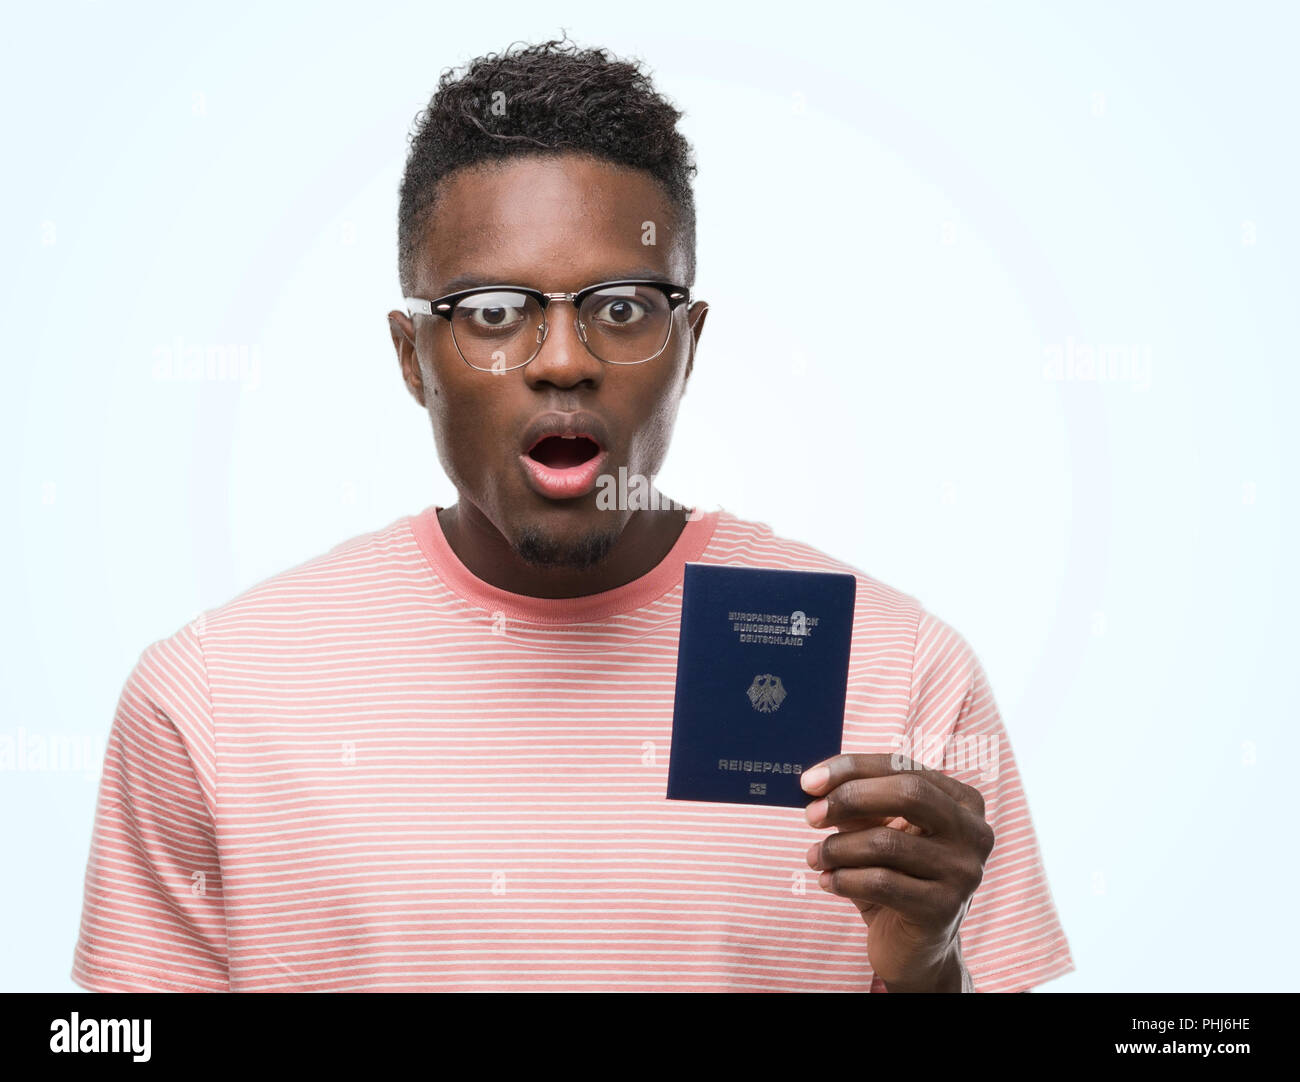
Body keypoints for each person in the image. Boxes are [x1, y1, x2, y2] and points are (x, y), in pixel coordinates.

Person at [71, 38, 1074, 993]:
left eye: (623, 305)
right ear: (411, 357)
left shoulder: (899, 673)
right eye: (496, 311)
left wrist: (932, 971)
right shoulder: (206, 697)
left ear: (688, 343)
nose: (561, 359)